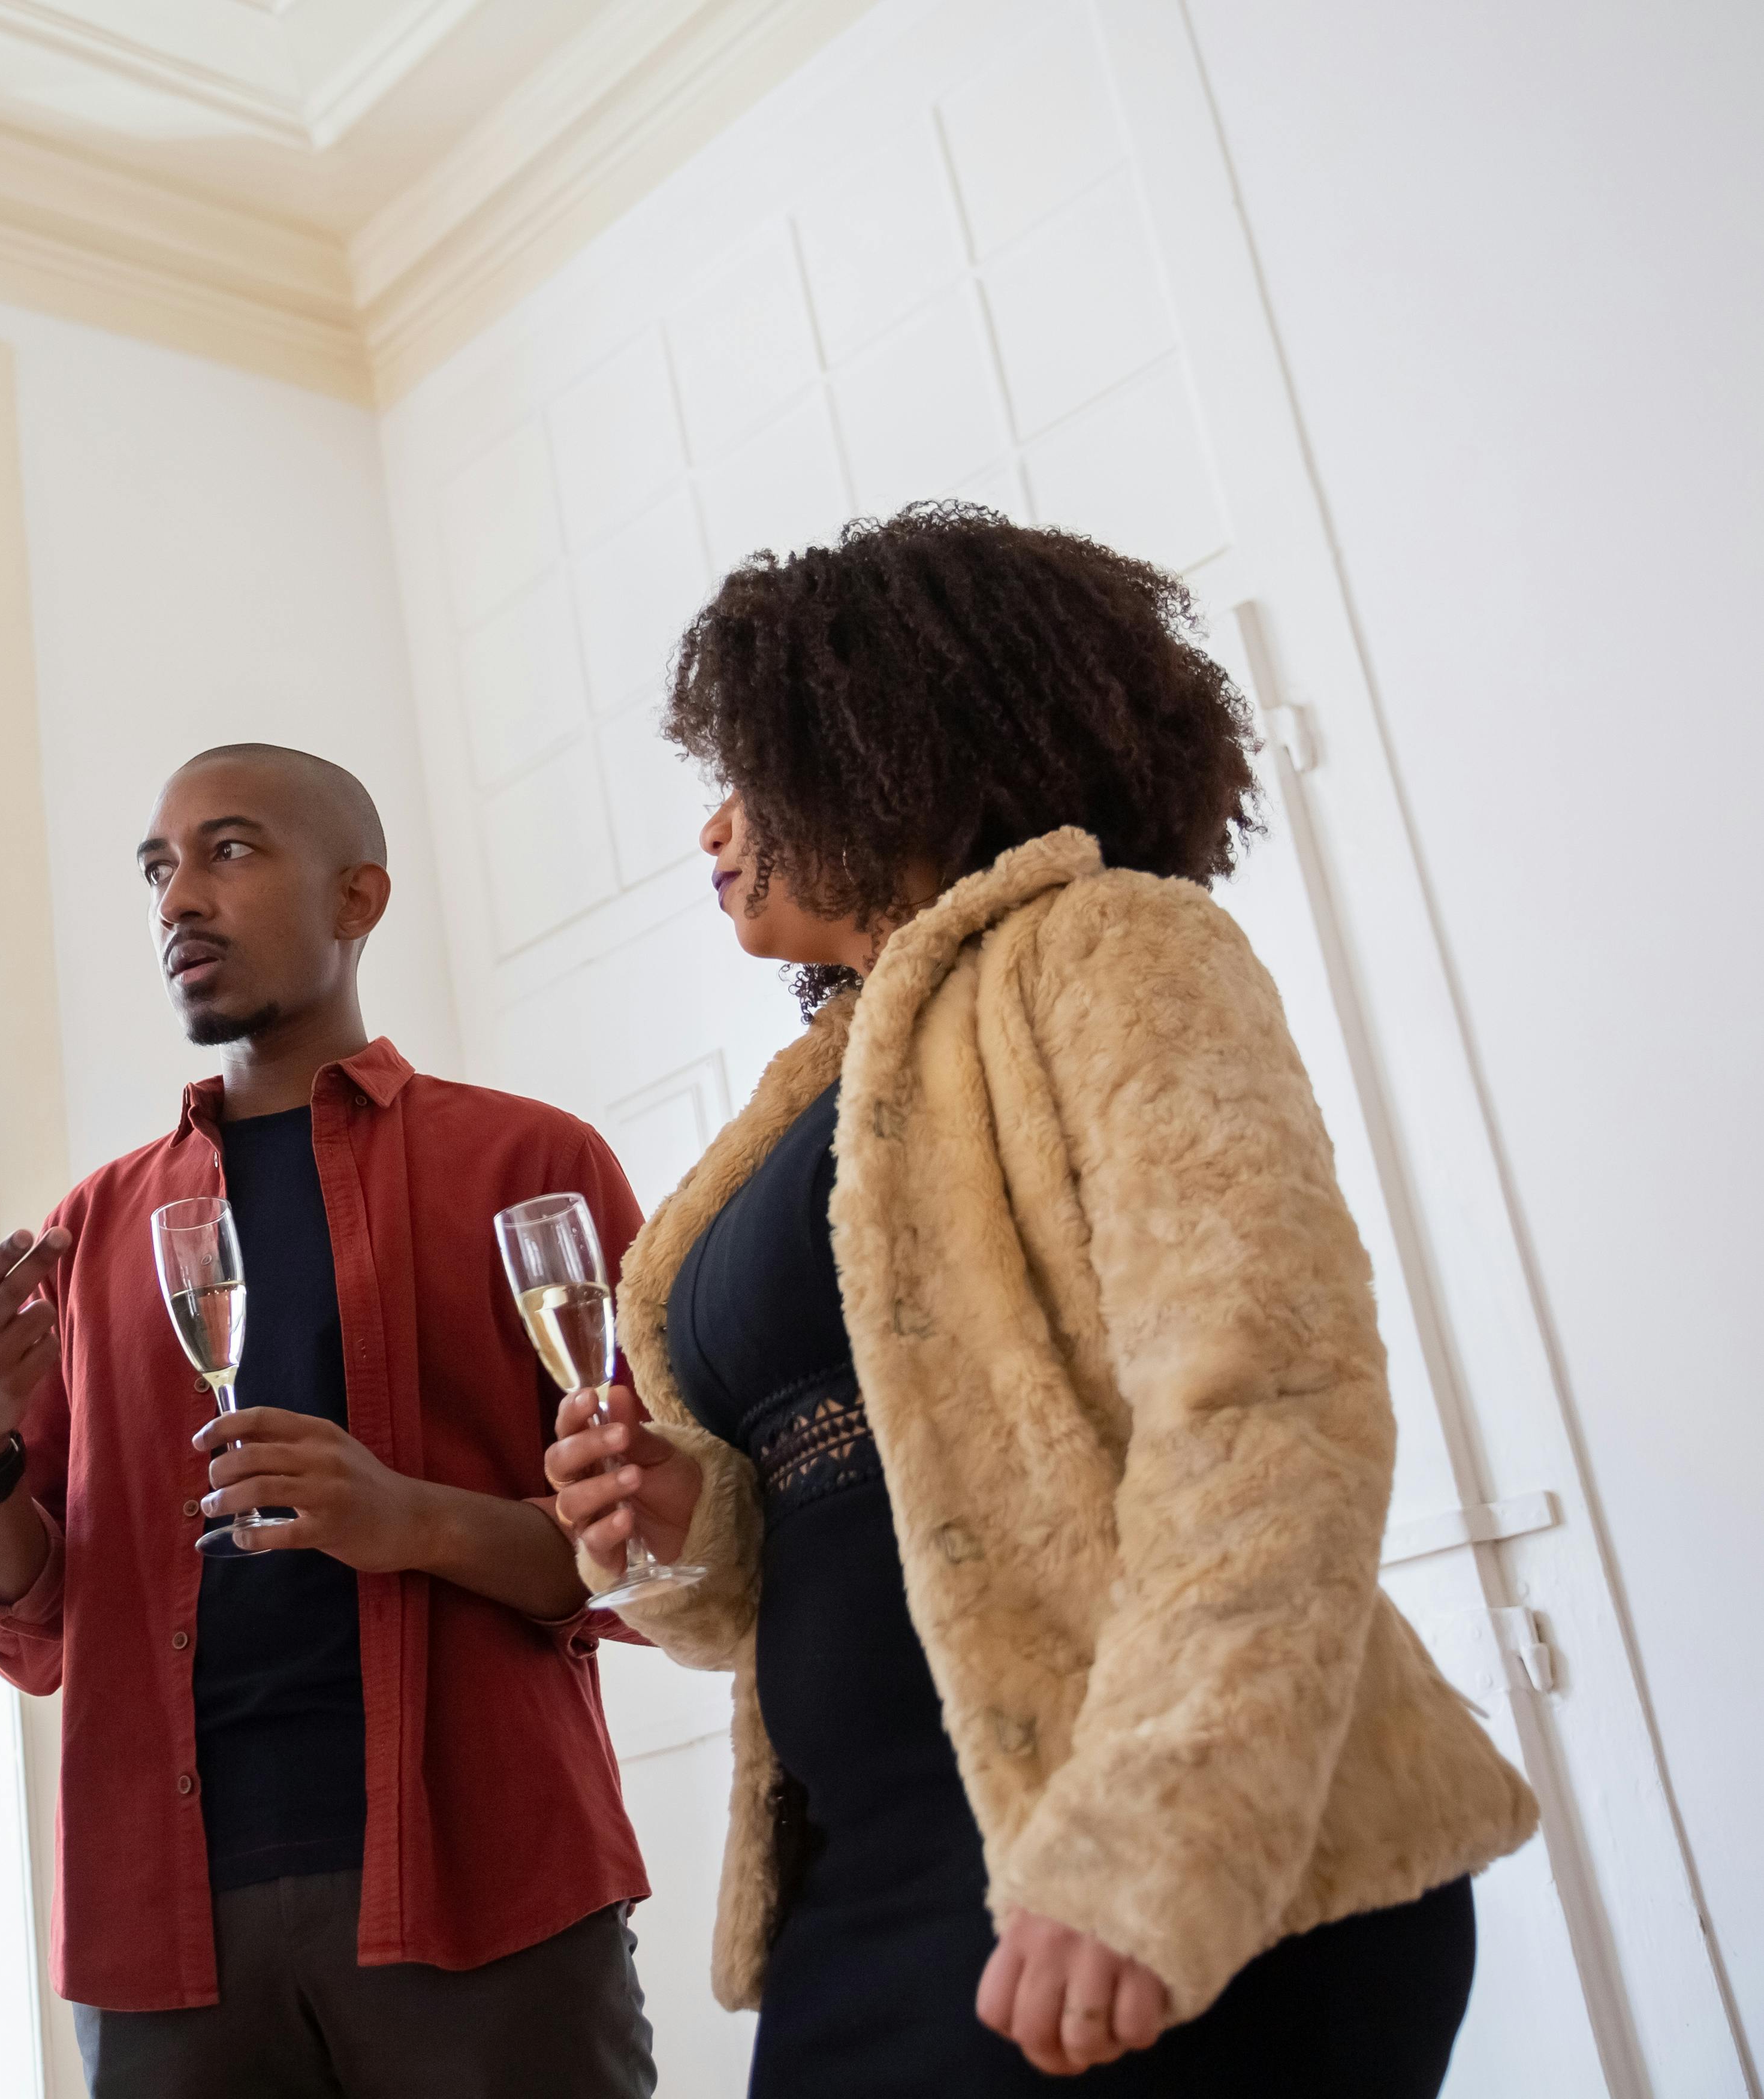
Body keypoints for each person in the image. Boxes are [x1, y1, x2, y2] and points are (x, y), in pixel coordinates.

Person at [543, 503, 1537, 2095]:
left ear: (878, 748)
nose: (714, 828)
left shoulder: (1109, 948)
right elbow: (851, 1504)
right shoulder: (820, 1090)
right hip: (875, 1884)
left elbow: (1263, 1394)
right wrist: (684, 1519)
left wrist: (1152, 1841)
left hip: (1171, 1869)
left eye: (750, 770)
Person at [0, 745, 657, 2099]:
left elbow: (648, 1556)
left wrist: (409, 1517)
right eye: (156, 868)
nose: (176, 899)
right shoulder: (93, 1229)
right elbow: (39, 1625)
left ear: (356, 897)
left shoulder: (531, 1165)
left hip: (486, 1895)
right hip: (161, 1935)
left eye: (228, 850)